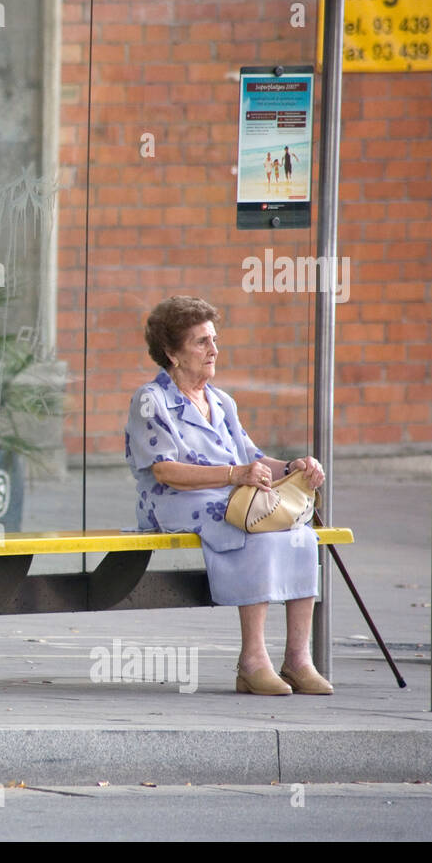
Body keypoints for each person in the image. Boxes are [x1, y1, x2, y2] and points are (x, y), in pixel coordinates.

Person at [124, 296, 331, 695]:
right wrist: (236, 475)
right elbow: (165, 471)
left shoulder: (221, 400)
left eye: (214, 339)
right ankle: (252, 661)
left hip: (229, 495)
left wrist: (294, 467)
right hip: (173, 499)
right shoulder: (151, 400)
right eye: (201, 342)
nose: (214, 350)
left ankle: (298, 660)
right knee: (249, 526)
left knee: (299, 533)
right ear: (172, 352)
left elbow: (253, 458)